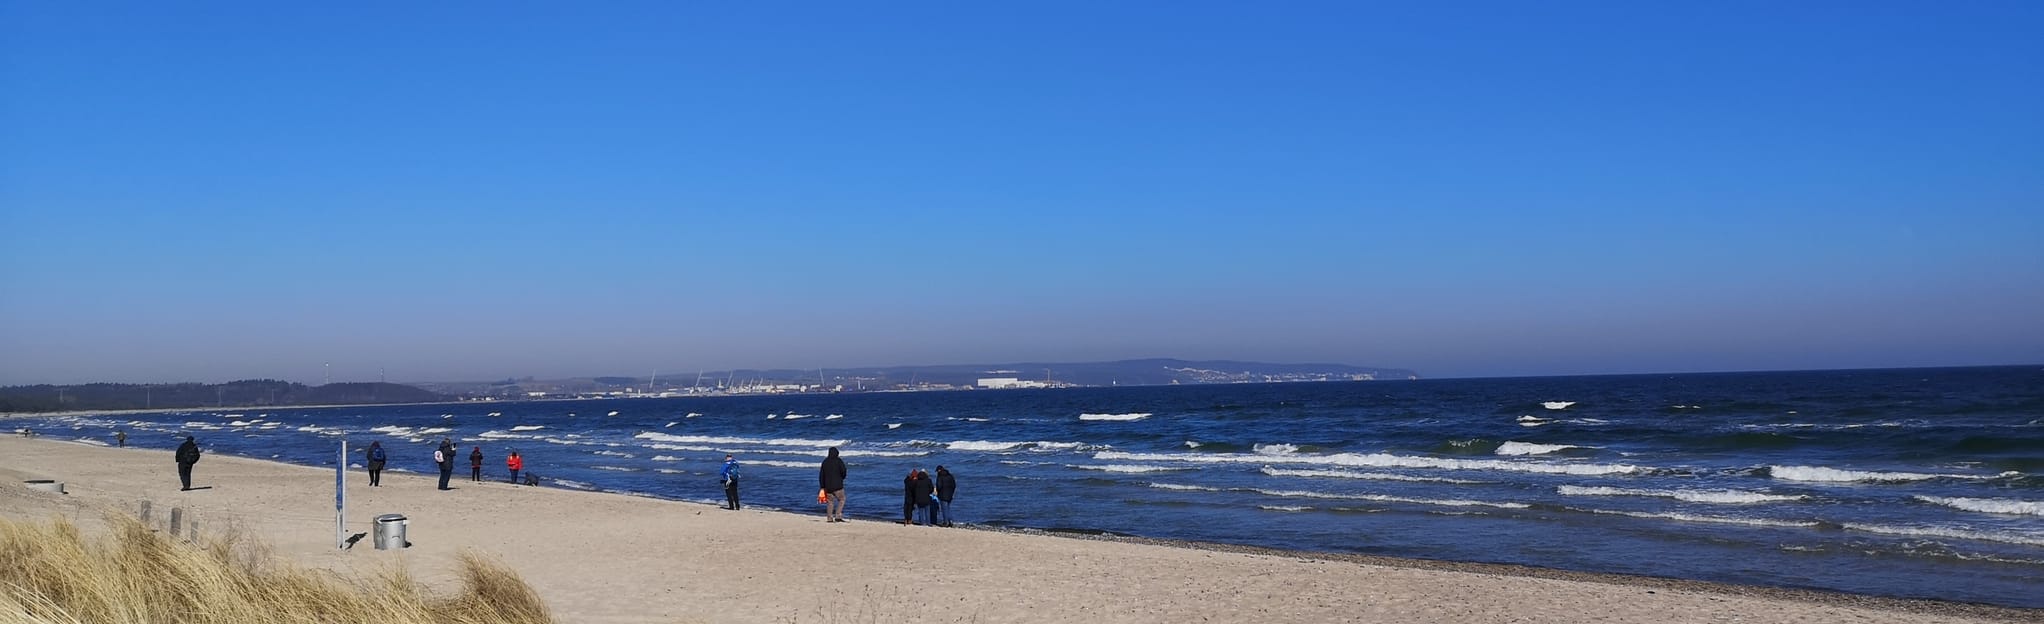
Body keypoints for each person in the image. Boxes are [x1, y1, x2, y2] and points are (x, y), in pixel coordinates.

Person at [819, 446, 848, 522]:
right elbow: (844, 471)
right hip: (838, 485)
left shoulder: (825, 462)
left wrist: (822, 486)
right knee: (842, 499)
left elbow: (821, 475)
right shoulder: (838, 461)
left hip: (827, 486)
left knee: (830, 502)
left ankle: (829, 518)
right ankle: (838, 515)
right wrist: (842, 478)